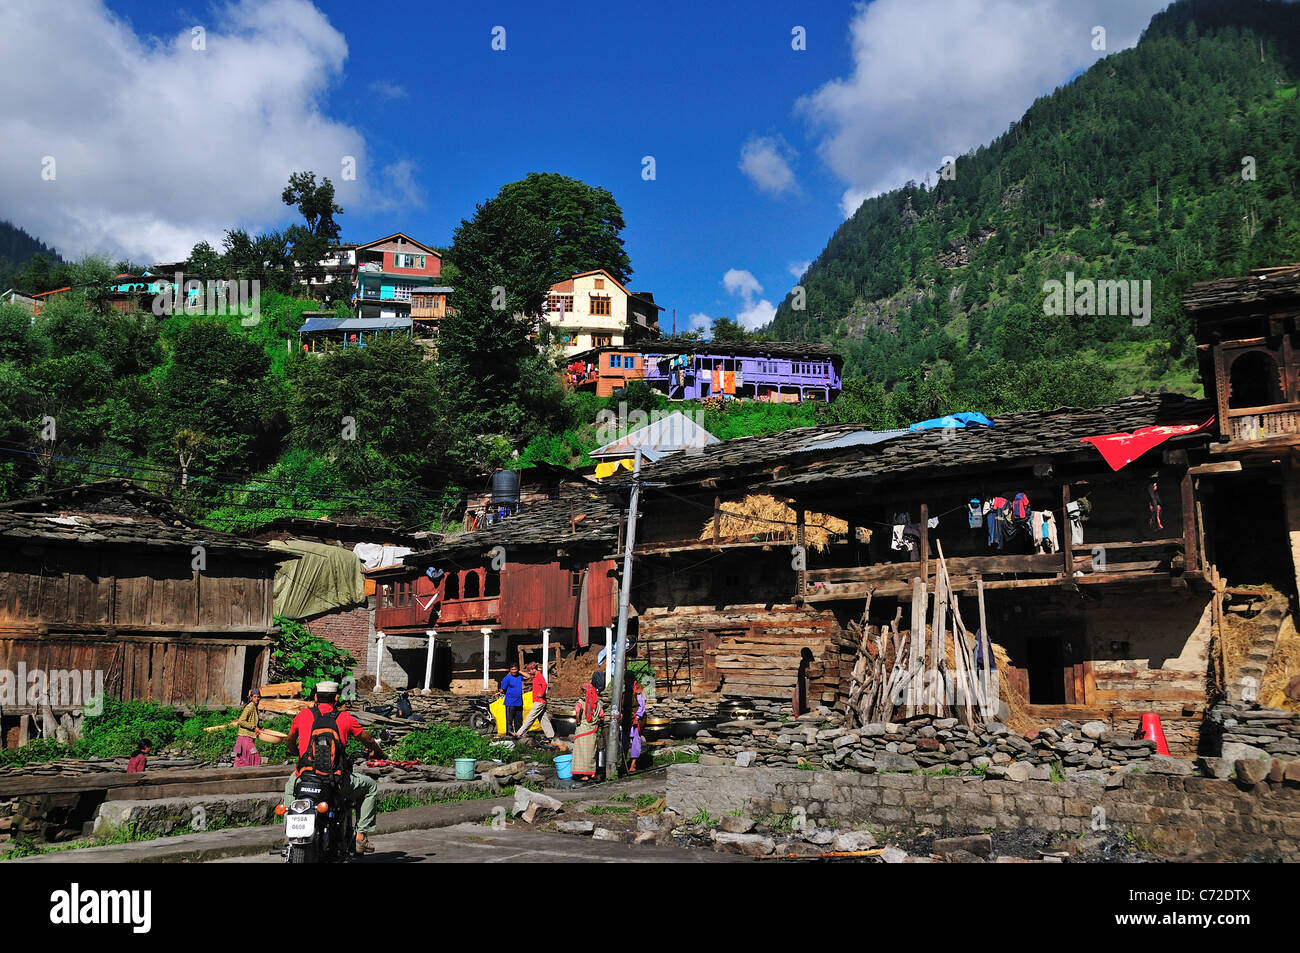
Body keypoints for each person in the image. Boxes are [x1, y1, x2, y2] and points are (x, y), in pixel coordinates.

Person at [283, 681, 386, 853]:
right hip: (335, 781)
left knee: (289, 789)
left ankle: (288, 833)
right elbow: (366, 738)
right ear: (336, 698)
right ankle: (360, 837)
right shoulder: (344, 718)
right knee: (370, 787)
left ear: (315, 698)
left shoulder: (303, 715)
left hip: (305, 777)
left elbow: (290, 739)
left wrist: (295, 752)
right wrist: (378, 751)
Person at [571, 682, 603, 781]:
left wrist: (577, 720)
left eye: (583, 690)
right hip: (592, 730)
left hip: (582, 731)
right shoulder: (598, 703)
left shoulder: (582, 701)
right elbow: (602, 715)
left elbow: (577, 710)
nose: (582, 692)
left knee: (581, 753)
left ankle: (584, 775)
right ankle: (592, 773)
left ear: (585, 691)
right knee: (591, 752)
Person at [516, 662, 555, 740]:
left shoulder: (539, 675)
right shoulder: (536, 676)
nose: (529, 672)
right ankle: (551, 736)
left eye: (530, 670)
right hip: (540, 701)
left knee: (530, 717)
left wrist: (541, 693)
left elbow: (544, 684)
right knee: (543, 720)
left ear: (533, 669)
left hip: (539, 701)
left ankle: (519, 733)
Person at [234, 688, 262, 767]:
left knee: (243, 758)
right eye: (255, 697)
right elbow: (241, 721)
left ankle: (240, 775)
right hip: (245, 737)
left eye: (258, 697)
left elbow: (252, 721)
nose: (257, 699)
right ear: (251, 698)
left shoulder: (255, 707)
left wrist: (259, 727)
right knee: (255, 757)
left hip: (249, 738)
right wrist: (253, 727)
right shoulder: (249, 707)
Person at [624, 681, 646, 773]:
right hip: (626, 718)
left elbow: (642, 706)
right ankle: (624, 762)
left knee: (636, 739)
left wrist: (637, 716)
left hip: (636, 718)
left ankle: (633, 763)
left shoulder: (638, 690)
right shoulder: (624, 690)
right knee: (624, 738)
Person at [499, 662, 525, 736]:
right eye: (512, 669)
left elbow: (529, 677)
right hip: (510, 702)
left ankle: (519, 734)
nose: (514, 671)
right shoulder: (507, 678)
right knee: (509, 720)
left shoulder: (519, 677)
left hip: (519, 702)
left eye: (515, 669)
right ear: (509, 670)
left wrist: (519, 671)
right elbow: (502, 689)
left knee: (519, 720)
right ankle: (510, 734)